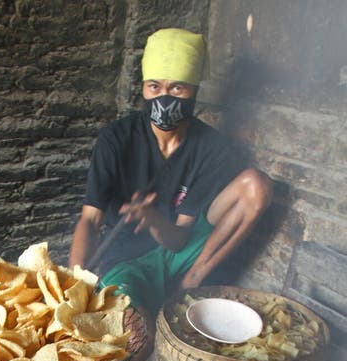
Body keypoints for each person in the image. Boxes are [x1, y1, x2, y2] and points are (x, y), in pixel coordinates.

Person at [69, 27, 273, 320]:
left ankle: (190, 282)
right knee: (135, 333)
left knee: (257, 185)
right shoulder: (116, 139)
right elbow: (90, 219)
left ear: (194, 90)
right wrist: (74, 285)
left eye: (177, 88)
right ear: (143, 88)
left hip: (181, 248)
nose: (164, 99)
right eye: (154, 87)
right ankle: (141, 300)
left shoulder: (210, 146)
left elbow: (179, 239)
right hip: (129, 258)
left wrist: (153, 220)